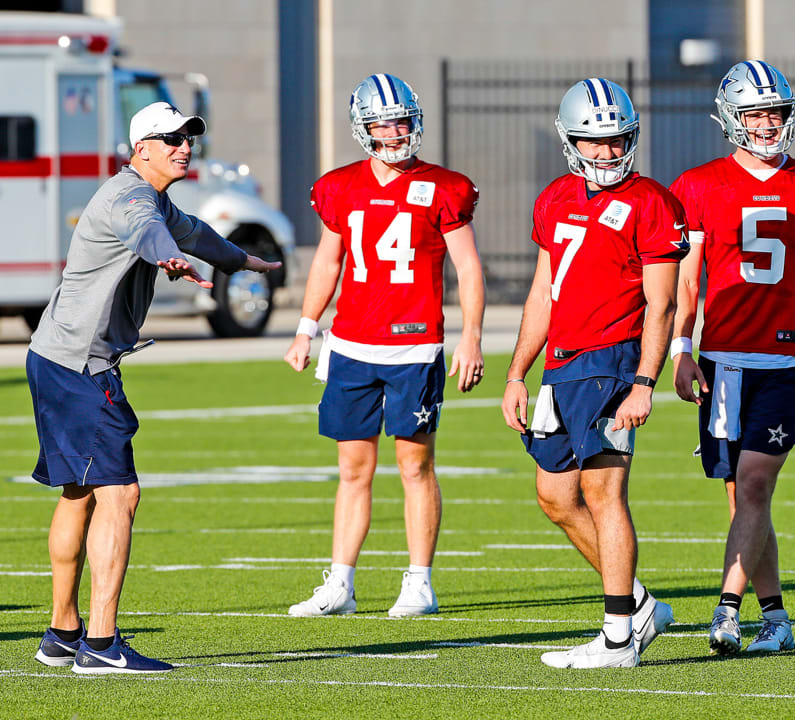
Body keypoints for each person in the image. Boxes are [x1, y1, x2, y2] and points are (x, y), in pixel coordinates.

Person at [27, 101, 280, 673]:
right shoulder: (132, 198)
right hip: (82, 366)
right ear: (140, 148)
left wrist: (242, 260)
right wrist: (168, 259)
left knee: (79, 492)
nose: (183, 146)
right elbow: (151, 234)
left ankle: (62, 635)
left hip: (54, 356)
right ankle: (100, 643)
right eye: (170, 138)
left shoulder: (154, 196)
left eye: (188, 136)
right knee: (122, 494)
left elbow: (191, 233)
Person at [669, 60, 795, 656]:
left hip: (787, 358)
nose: (768, 123)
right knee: (742, 497)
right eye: (757, 112)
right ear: (731, 115)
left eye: (776, 111)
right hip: (723, 358)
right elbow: (687, 279)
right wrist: (682, 349)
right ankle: (776, 618)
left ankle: (726, 612)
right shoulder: (700, 183)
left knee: (756, 481)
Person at [284, 74, 485, 618]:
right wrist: (307, 326)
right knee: (353, 468)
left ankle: (419, 582)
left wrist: (470, 337)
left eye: (402, 120)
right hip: (351, 342)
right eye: (384, 122)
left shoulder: (445, 187)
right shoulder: (339, 185)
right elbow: (328, 261)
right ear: (363, 127)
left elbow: (467, 267)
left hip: (414, 344)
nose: (396, 132)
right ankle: (341, 584)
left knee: (415, 465)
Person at [501, 78, 685, 668]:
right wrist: (517, 372)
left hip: (612, 362)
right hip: (560, 365)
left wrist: (645, 381)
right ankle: (639, 604)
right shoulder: (555, 197)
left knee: (604, 491)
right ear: (570, 140)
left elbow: (663, 303)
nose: (606, 153)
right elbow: (542, 291)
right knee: (554, 496)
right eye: (593, 141)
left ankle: (617, 639)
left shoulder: (653, 202)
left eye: (616, 141)